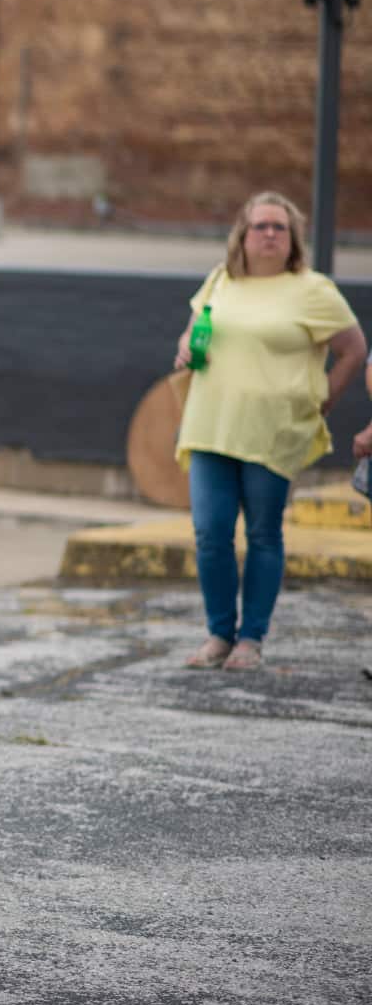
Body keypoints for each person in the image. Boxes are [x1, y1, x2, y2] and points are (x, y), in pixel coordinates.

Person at [174, 191, 364, 670]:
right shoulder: (221, 281)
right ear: (243, 233)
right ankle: (219, 634)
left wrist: (324, 398)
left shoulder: (312, 289)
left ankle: (249, 640)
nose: (271, 234)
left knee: (262, 533)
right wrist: (184, 348)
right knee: (210, 533)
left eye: (280, 227)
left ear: (293, 238)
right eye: (261, 225)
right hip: (211, 425)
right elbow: (195, 331)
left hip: (274, 431)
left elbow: (353, 349)